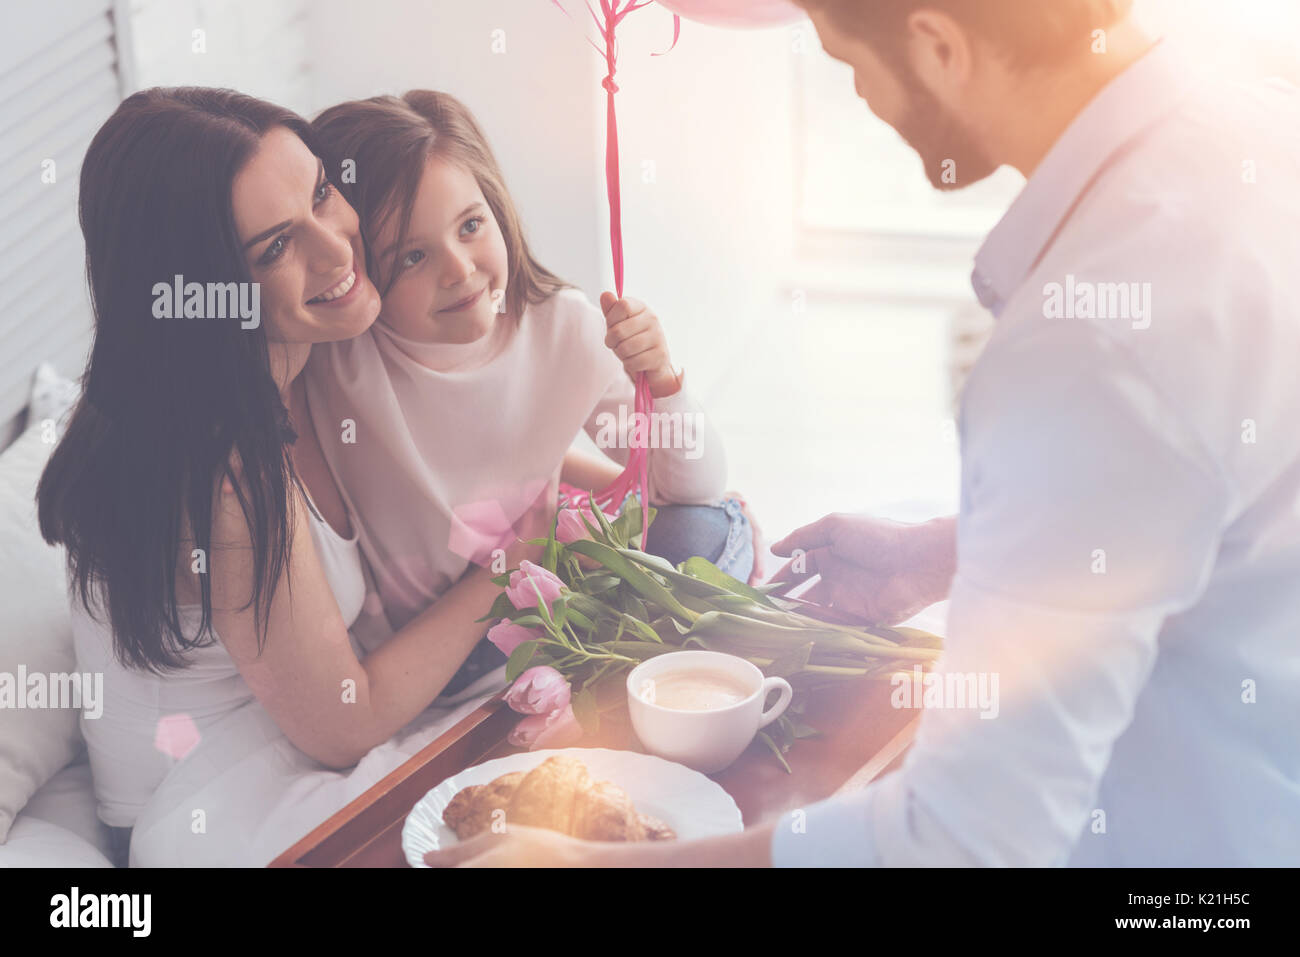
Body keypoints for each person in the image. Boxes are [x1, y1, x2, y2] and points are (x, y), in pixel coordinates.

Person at [426, 0, 1300, 867]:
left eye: (848, 64)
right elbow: (1227, 506)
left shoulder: (1082, 347)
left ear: (937, 45)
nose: (862, 100)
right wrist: (948, 553)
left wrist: (585, 864)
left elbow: (957, 843)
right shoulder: (1256, 122)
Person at [37, 87, 550, 867]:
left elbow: (476, 433)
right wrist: (519, 556)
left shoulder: (304, 356)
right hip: (220, 805)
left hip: (300, 757)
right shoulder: (219, 467)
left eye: (321, 193)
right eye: (276, 247)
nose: (337, 247)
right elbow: (345, 718)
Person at [302, 91, 754, 696]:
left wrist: (664, 379)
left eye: (470, 225)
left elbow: (690, 490)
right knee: (691, 581)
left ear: (497, 207)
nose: (459, 269)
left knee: (712, 530)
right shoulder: (344, 360)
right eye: (411, 256)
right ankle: (578, 676)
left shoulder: (562, 326)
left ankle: (590, 670)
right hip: (442, 650)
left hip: (547, 590)